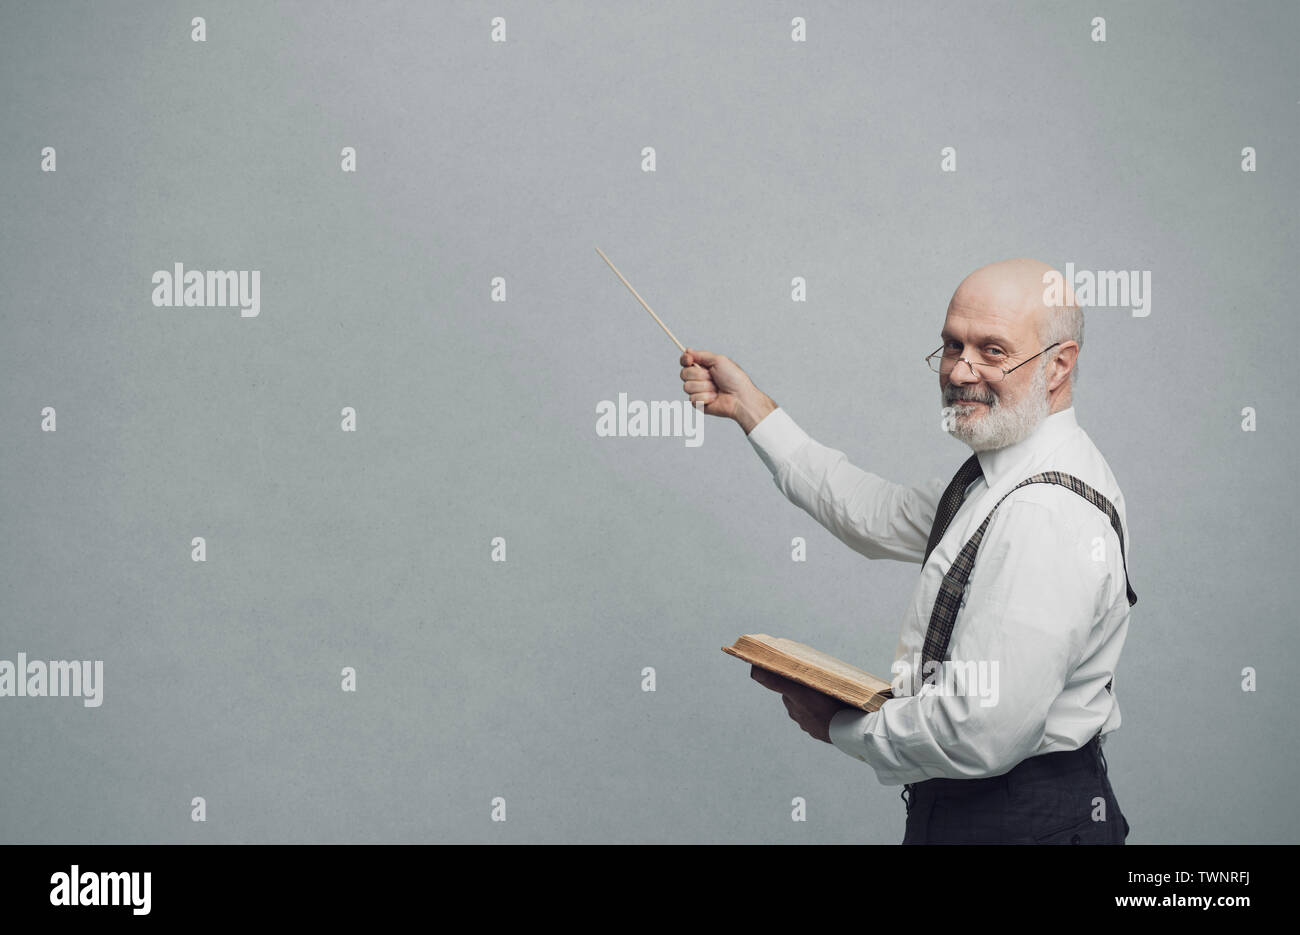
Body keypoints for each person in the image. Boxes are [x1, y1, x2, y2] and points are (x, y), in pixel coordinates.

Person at [679, 258, 1133, 844]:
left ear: (1058, 366)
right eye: (952, 345)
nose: (961, 371)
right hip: (984, 809)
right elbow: (874, 514)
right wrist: (750, 408)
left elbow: (982, 730)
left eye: (992, 350)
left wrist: (842, 726)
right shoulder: (998, 478)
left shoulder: (1043, 514)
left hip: (1019, 821)